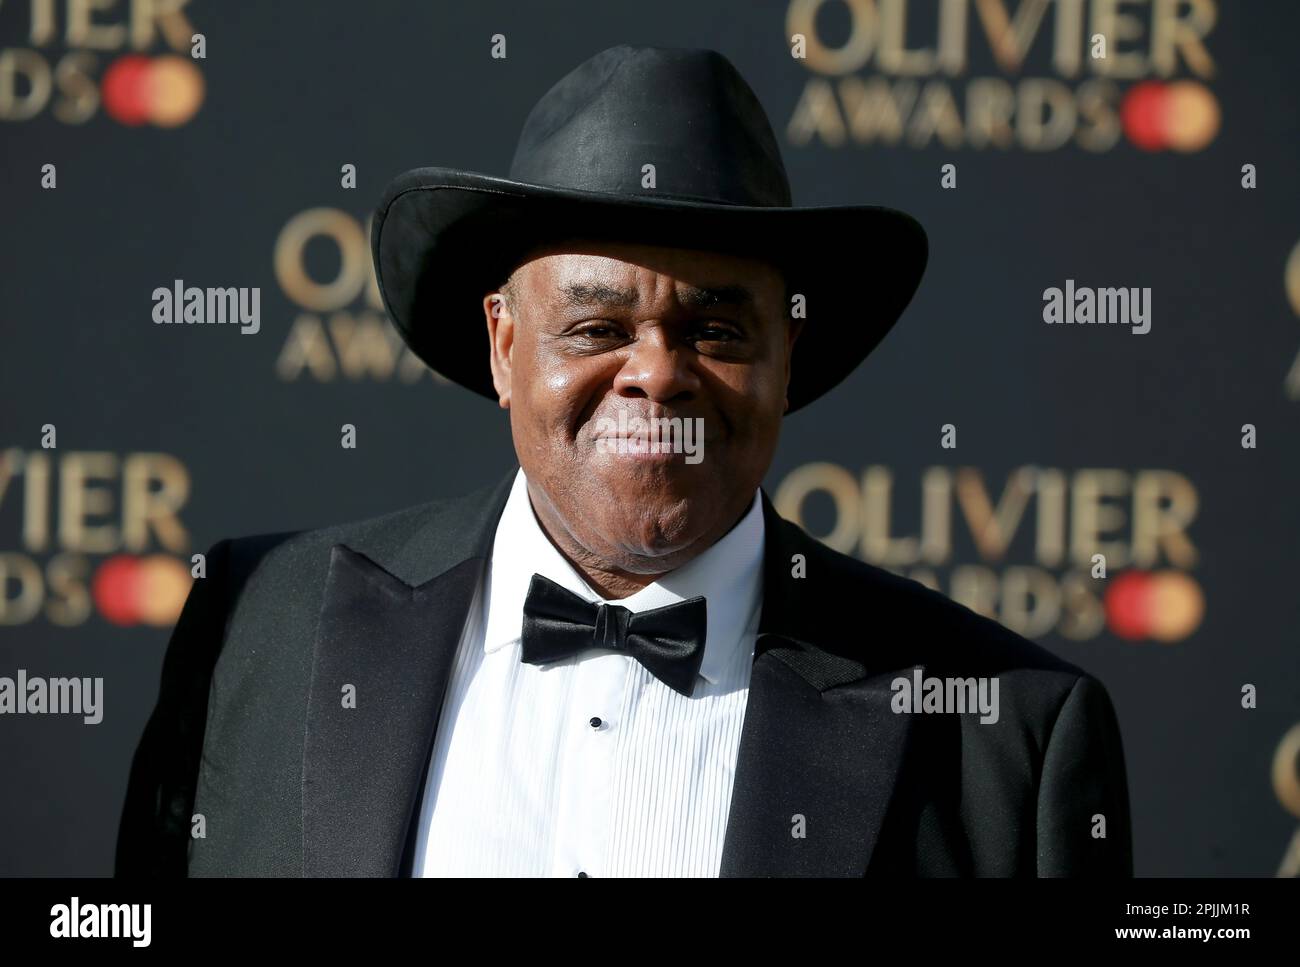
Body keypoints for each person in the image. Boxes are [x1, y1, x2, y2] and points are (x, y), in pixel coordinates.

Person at [116, 44, 1131, 877]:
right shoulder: (258, 627)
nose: (658, 374)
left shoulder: (1005, 735)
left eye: (718, 330)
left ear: (791, 358)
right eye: (597, 326)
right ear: (505, 347)